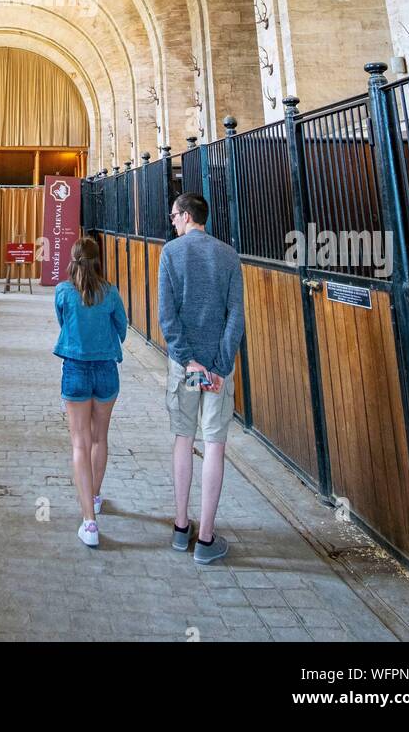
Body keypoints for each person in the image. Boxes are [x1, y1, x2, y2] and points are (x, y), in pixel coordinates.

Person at [158, 192, 244, 563]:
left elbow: (167, 314)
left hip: (187, 368)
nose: (173, 222)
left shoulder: (171, 254)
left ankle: (181, 527)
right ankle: (206, 539)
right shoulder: (228, 255)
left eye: (174, 216)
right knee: (214, 444)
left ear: (188, 215)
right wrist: (220, 367)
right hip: (216, 369)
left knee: (183, 437)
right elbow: (235, 315)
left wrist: (187, 361)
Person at [53, 237, 128, 547]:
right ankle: (95, 496)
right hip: (106, 371)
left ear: (73, 260)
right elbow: (122, 329)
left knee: (80, 443)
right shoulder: (110, 293)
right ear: (98, 260)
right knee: (100, 438)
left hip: (75, 370)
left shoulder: (63, 292)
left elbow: (62, 323)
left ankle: (89, 522)